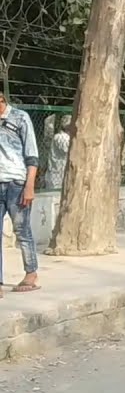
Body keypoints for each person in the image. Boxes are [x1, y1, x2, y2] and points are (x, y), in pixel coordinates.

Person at [0, 92, 40, 296]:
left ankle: (31, 274)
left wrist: (29, 186)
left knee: (22, 231)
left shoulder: (20, 118)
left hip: (17, 183)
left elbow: (32, 156)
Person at [42, 115, 71, 190]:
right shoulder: (60, 137)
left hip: (62, 173)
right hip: (57, 175)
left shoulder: (66, 137)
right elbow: (67, 150)